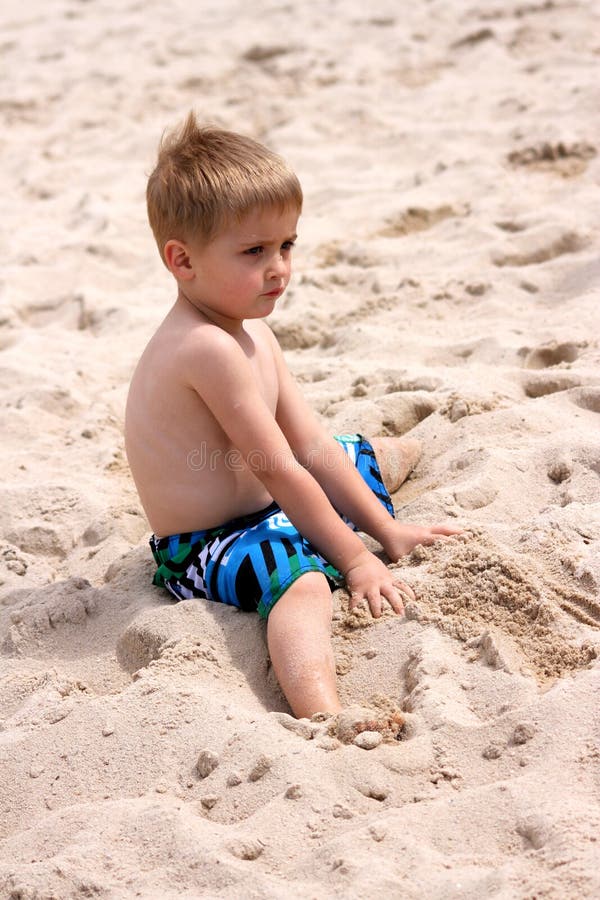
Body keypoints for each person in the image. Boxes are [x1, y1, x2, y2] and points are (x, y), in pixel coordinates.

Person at [125, 113, 459, 723]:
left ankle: (397, 458)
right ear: (182, 260)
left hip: (273, 506)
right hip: (207, 544)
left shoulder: (253, 332)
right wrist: (358, 560)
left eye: (286, 245)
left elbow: (307, 442)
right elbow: (280, 470)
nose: (278, 267)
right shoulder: (204, 348)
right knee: (301, 582)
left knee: (352, 452)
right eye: (254, 251)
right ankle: (323, 716)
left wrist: (388, 533)